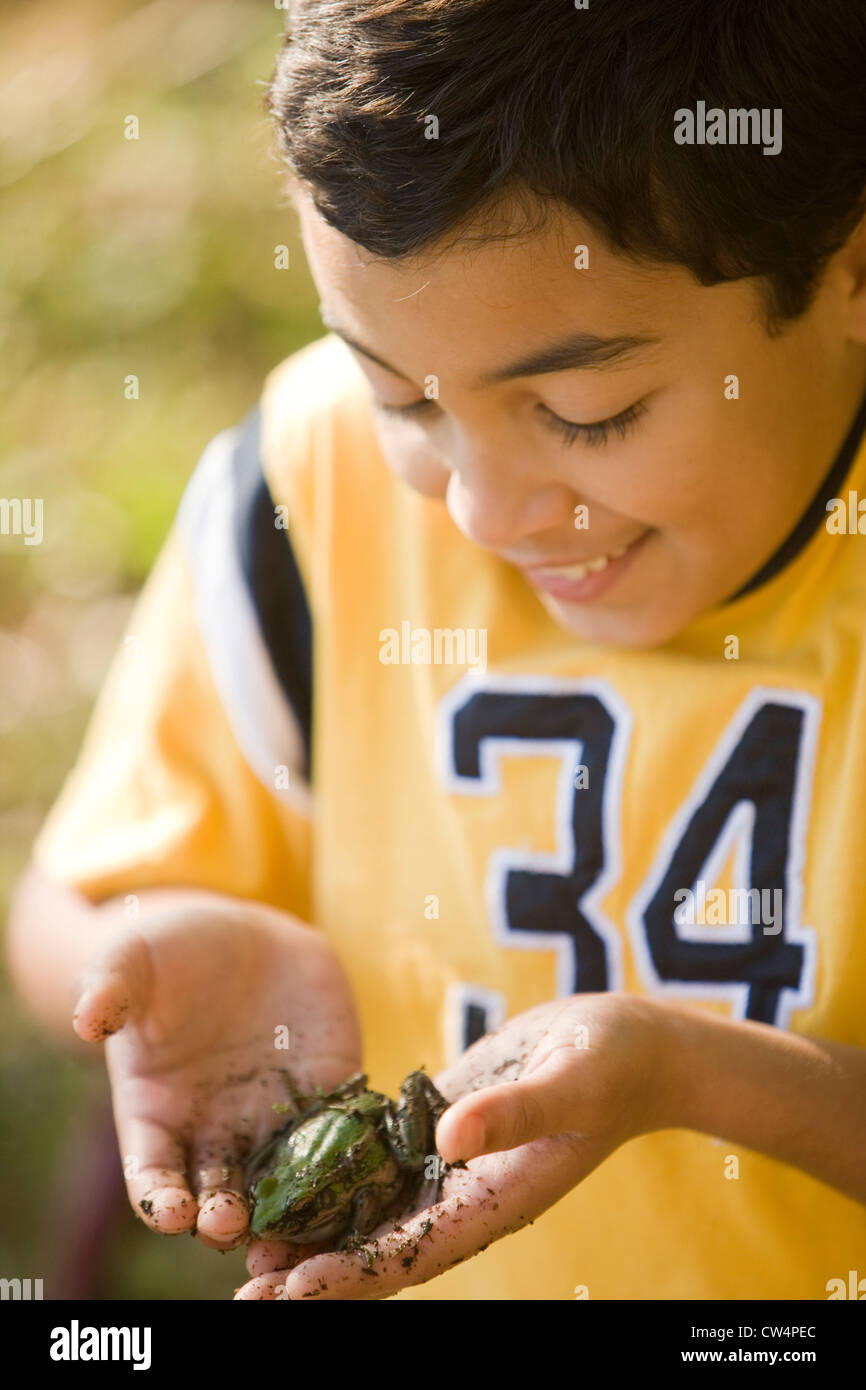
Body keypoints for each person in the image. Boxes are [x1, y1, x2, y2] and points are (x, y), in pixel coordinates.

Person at [8, 0, 866, 1301]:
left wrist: (696, 1073)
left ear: (846, 267)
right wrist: (160, 941)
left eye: (590, 412)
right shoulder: (308, 488)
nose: (480, 507)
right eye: (397, 394)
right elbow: (70, 910)